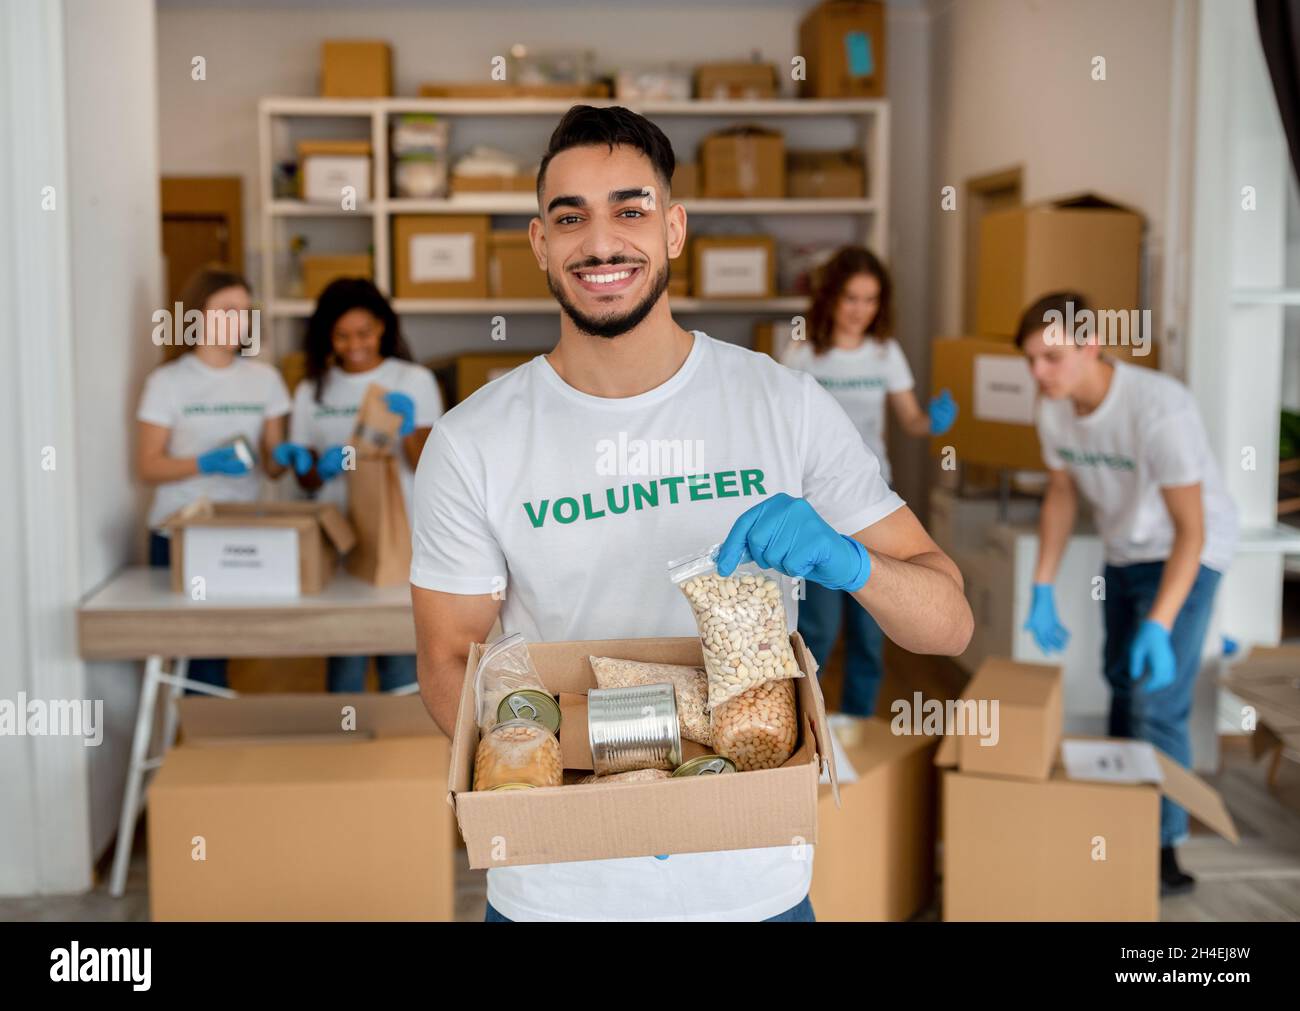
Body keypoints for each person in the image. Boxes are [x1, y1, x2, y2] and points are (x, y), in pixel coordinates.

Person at [410, 105, 973, 923]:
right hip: (559, 889)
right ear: (540, 243)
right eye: (571, 218)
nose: (601, 242)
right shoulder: (472, 441)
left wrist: (852, 563)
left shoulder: (787, 407)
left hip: (751, 885)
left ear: (674, 229)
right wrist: (616, 784)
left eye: (630, 210)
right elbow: (448, 667)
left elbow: (948, 624)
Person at [1017, 291, 1237, 896]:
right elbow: (1061, 493)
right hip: (1125, 552)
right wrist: (1041, 587)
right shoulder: (1054, 407)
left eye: (1051, 358)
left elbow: (1192, 530)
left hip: (1190, 552)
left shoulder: (1158, 409)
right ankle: (1116, 815)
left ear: (1090, 345)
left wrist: (1162, 623)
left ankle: (1163, 849)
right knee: (1119, 680)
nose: (1039, 373)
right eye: (1032, 360)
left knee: (1156, 700)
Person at [780, 246, 957, 717]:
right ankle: (806, 727)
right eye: (851, 298)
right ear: (831, 298)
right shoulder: (803, 351)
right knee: (816, 630)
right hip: (815, 507)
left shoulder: (885, 353)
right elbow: (783, 428)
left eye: (871, 299)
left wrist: (933, 424)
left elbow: (911, 420)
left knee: (869, 632)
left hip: (873, 506)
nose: (861, 310)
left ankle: (856, 729)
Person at [276, 278, 442, 693]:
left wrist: (407, 430)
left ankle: (399, 752)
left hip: (399, 539)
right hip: (338, 538)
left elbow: (432, 466)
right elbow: (306, 479)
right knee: (345, 661)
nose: (356, 345)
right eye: (343, 335)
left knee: (401, 663)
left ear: (383, 327)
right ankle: (345, 746)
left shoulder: (413, 380)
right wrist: (313, 466)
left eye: (364, 333)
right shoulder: (312, 390)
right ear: (327, 337)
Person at [136, 265, 292, 691]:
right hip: (178, 532)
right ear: (196, 315)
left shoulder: (265, 379)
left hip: (236, 531)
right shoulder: (167, 382)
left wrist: (286, 456)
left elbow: (272, 465)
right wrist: (206, 463)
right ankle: (182, 748)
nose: (239, 321)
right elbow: (148, 466)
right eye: (227, 309)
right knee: (183, 654)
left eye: (245, 311)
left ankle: (210, 746)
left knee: (215, 657)